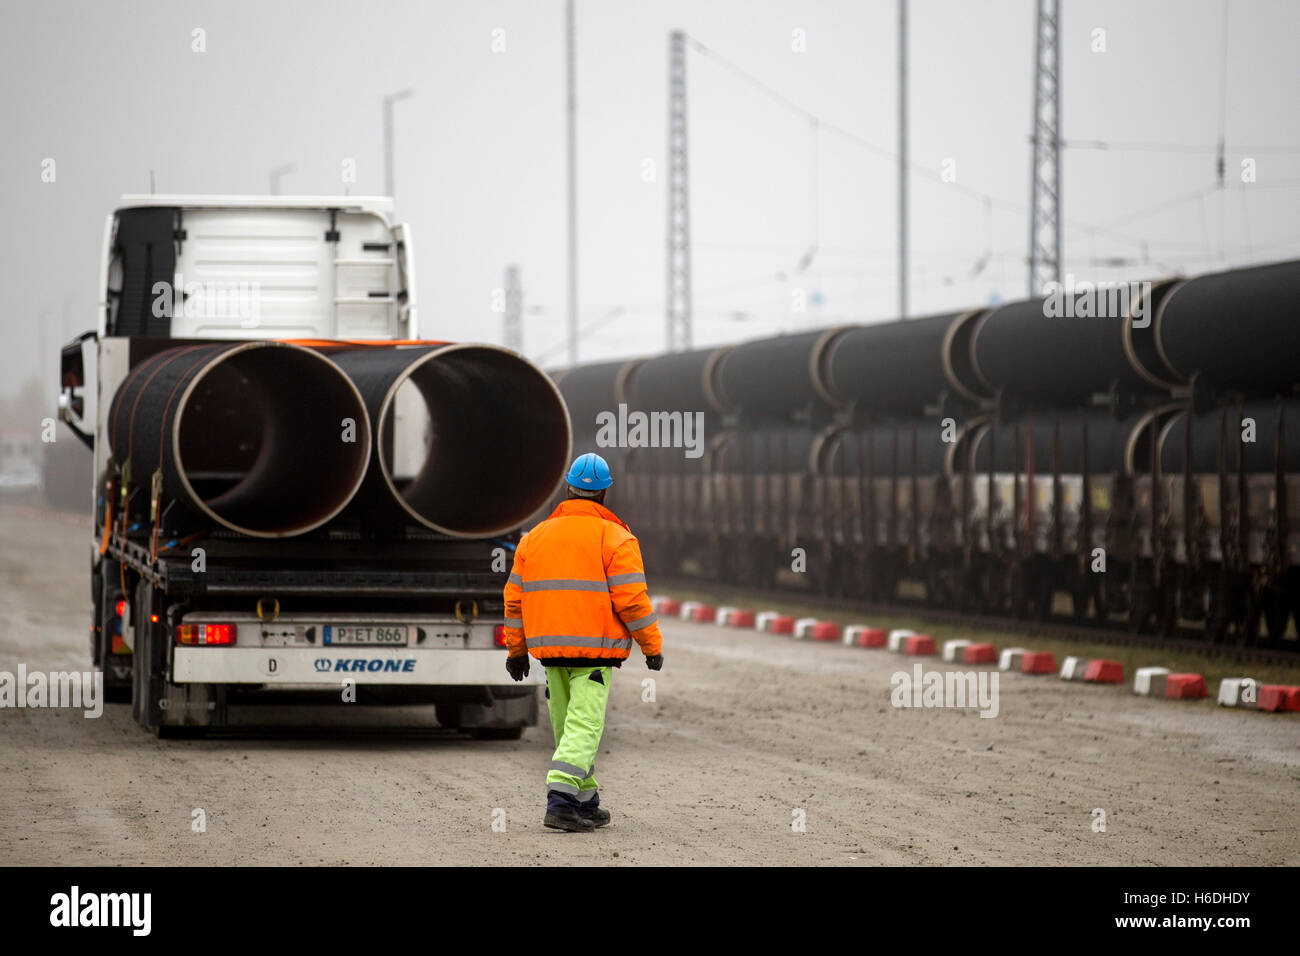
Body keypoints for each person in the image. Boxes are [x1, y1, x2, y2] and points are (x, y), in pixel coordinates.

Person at [502, 452, 664, 832]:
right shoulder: (616, 538)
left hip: (550, 654)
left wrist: (516, 650)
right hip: (593, 655)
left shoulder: (535, 538)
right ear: (604, 494)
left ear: (568, 489)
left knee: (567, 726)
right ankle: (560, 801)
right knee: (584, 727)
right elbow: (633, 601)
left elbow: (513, 598)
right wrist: (651, 646)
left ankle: (585, 801)